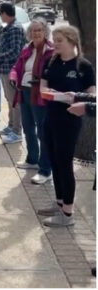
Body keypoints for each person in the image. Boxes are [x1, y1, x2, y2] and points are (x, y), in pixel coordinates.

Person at [36, 25, 95, 227]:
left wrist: (75, 98)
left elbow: (93, 93)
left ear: (71, 41)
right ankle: (60, 202)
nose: (55, 43)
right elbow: (43, 85)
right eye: (54, 39)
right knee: (54, 161)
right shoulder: (52, 61)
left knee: (64, 164)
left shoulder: (83, 66)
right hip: (50, 117)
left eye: (59, 40)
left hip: (69, 121)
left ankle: (68, 214)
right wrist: (48, 91)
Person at [9, 20, 54, 184]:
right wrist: (13, 76)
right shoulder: (27, 49)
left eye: (39, 30)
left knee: (43, 132)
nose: (36, 33)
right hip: (24, 92)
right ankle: (32, 159)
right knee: (28, 128)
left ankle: (45, 170)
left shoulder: (51, 51)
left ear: (45, 32)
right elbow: (17, 67)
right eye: (33, 30)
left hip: (40, 95)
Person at [0, 2, 28, 144]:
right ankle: (11, 126)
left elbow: (14, 51)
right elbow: (2, 46)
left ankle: (17, 131)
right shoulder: (9, 27)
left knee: (14, 101)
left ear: (4, 13)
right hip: (5, 69)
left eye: (0, 14)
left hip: (11, 70)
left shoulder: (15, 28)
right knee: (10, 100)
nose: (0, 17)